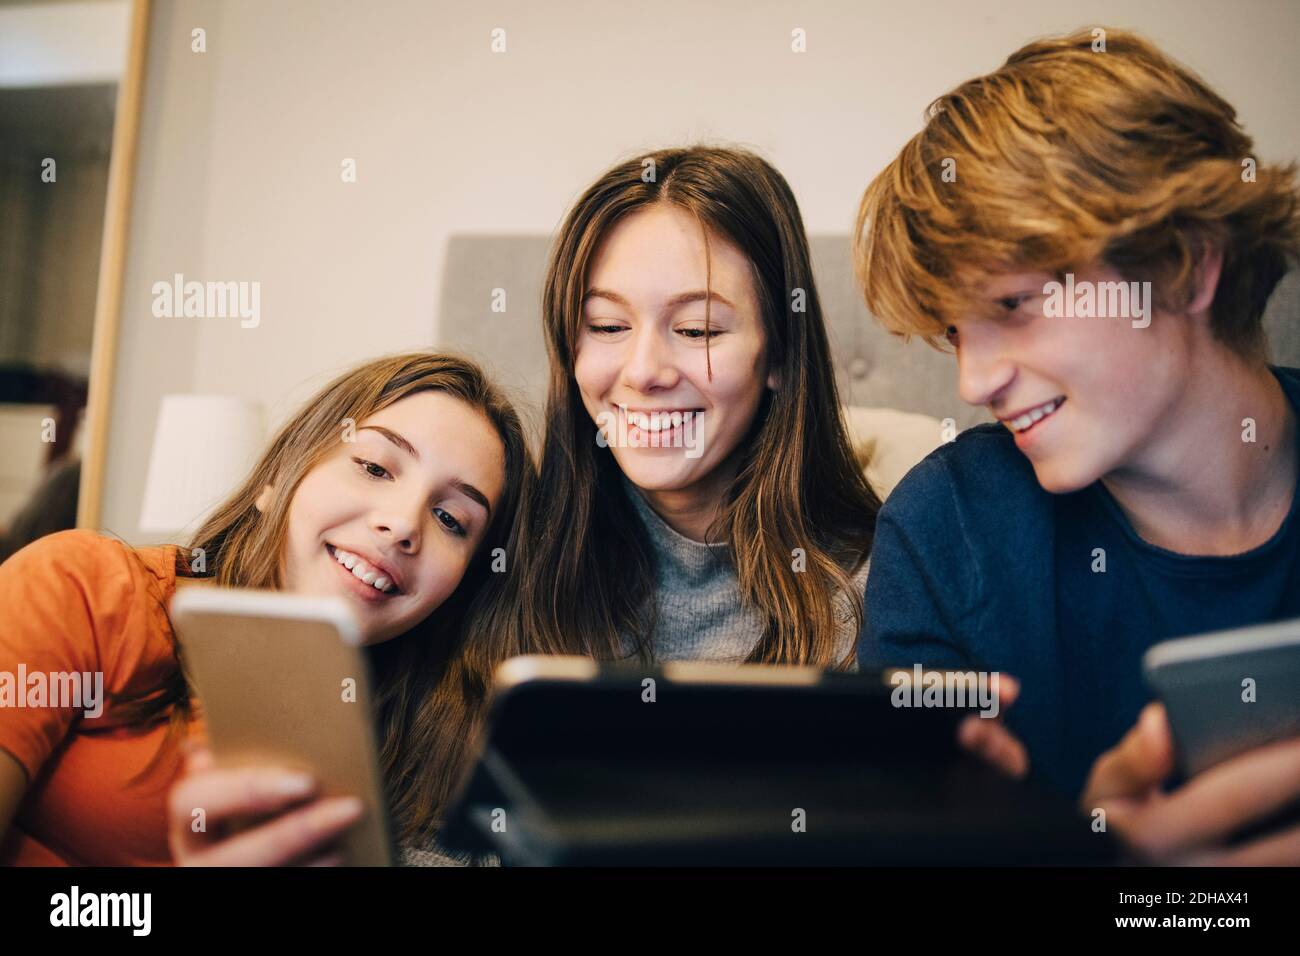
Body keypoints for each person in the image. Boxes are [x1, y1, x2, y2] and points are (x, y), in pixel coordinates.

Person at [854, 28, 1300, 863]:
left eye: (1014, 304)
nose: (974, 381)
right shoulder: (945, 532)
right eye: (955, 331)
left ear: (1184, 264)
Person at [0, 352, 533, 865]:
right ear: (279, 477)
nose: (403, 524)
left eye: (450, 519)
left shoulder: (432, 762)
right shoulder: (86, 585)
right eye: (374, 466)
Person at [489, 145, 880, 667]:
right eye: (607, 326)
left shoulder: (879, 585)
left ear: (780, 356)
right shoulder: (504, 561)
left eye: (698, 329)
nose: (644, 371)